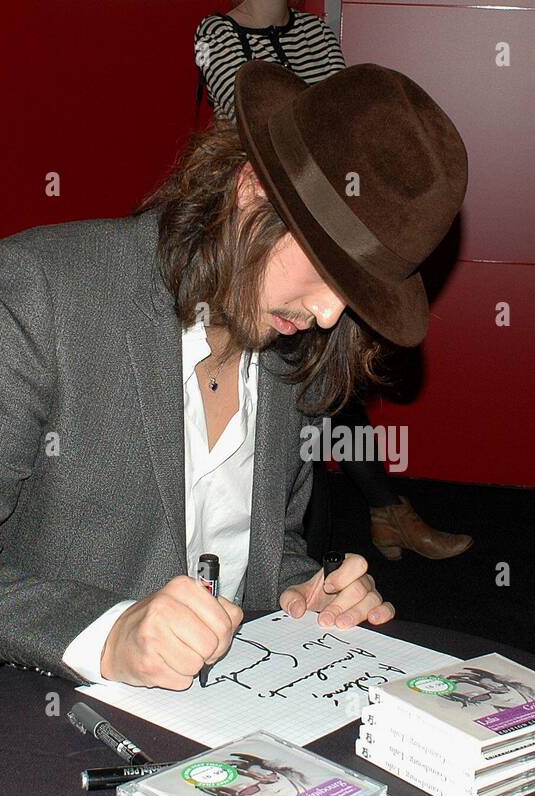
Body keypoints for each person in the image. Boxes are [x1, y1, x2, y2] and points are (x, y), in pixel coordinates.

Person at [0, 59, 469, 796]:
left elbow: (266, 543)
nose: (334, 314)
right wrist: (111, 632)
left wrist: (308, 594)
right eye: (333, 271)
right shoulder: (37, 292)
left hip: (180, 727)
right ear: (249, 195)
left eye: (359, 289)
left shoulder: (291, 360)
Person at [193, 0, 474, 561]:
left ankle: (355, 526)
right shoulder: (217, 32)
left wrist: (297, 590)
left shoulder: (315, 32)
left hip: (297, 216)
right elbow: (262, 113)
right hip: (252, 220)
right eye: (331, 280)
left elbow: (341, 123)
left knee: (324, 396)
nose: (330, 312)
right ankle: (384, 511)